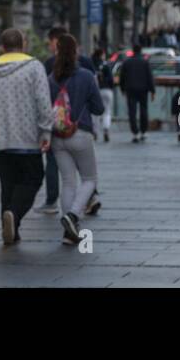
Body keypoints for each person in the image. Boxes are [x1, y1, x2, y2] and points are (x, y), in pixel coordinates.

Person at [0, 27, 53, 246]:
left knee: (8, 184)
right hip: (27, 138)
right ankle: (14, 215)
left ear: (2, 47)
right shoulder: (34, 68)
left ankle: (11, 231)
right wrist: (46, 131)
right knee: (33, 179)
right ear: (23, 44)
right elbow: (43, 102)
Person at [48, 34, 104, 244]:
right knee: (89, 179)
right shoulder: (87, 76)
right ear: (76, 51)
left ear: (57, 51)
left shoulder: (51, 78)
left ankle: (69, 233)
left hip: (57, 136)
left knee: (68, 181)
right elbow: (99, 107)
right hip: (81, 133)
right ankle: (72, 216)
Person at [36, 25, 69, 214]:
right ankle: (90, 196)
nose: (49, 46)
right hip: (78, 122)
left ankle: (51, 201)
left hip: (55, 119)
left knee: (52, 160)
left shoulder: (49, 63)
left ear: (56, 41)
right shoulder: (81, 61)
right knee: (82, 162)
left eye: (50, 42)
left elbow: (42, 93)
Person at [119, 45, 153, 142]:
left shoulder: (127, 62)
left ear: (133, 51)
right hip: (143, 89)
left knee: (132, 112)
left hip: (130, 89)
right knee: (144, 110)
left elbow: (122, 77)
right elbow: (149, 77)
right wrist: (152, 90)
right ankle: (144, 131)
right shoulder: (145, 62)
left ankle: (135, 132)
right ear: (140, 50)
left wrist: (122, 89)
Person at [96, 51, 116, 143]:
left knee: (97, 112)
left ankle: (94, 131)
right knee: (107, 111)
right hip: (108, 90)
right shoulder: (107, 66)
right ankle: (106, 129)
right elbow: (112, 80)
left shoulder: (95, 65)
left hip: (98, 90)